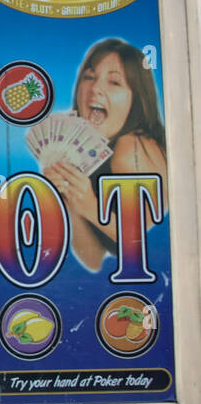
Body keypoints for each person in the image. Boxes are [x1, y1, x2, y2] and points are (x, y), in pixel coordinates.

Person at [43, 38, 167, 272]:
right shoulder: (98, 154)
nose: (96, 88)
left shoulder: (131, 148)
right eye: (89, 77)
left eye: (114, 82)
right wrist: (71, 199)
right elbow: (95, 261)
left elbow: (148, 246)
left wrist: (89, 205)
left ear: (138, 98)